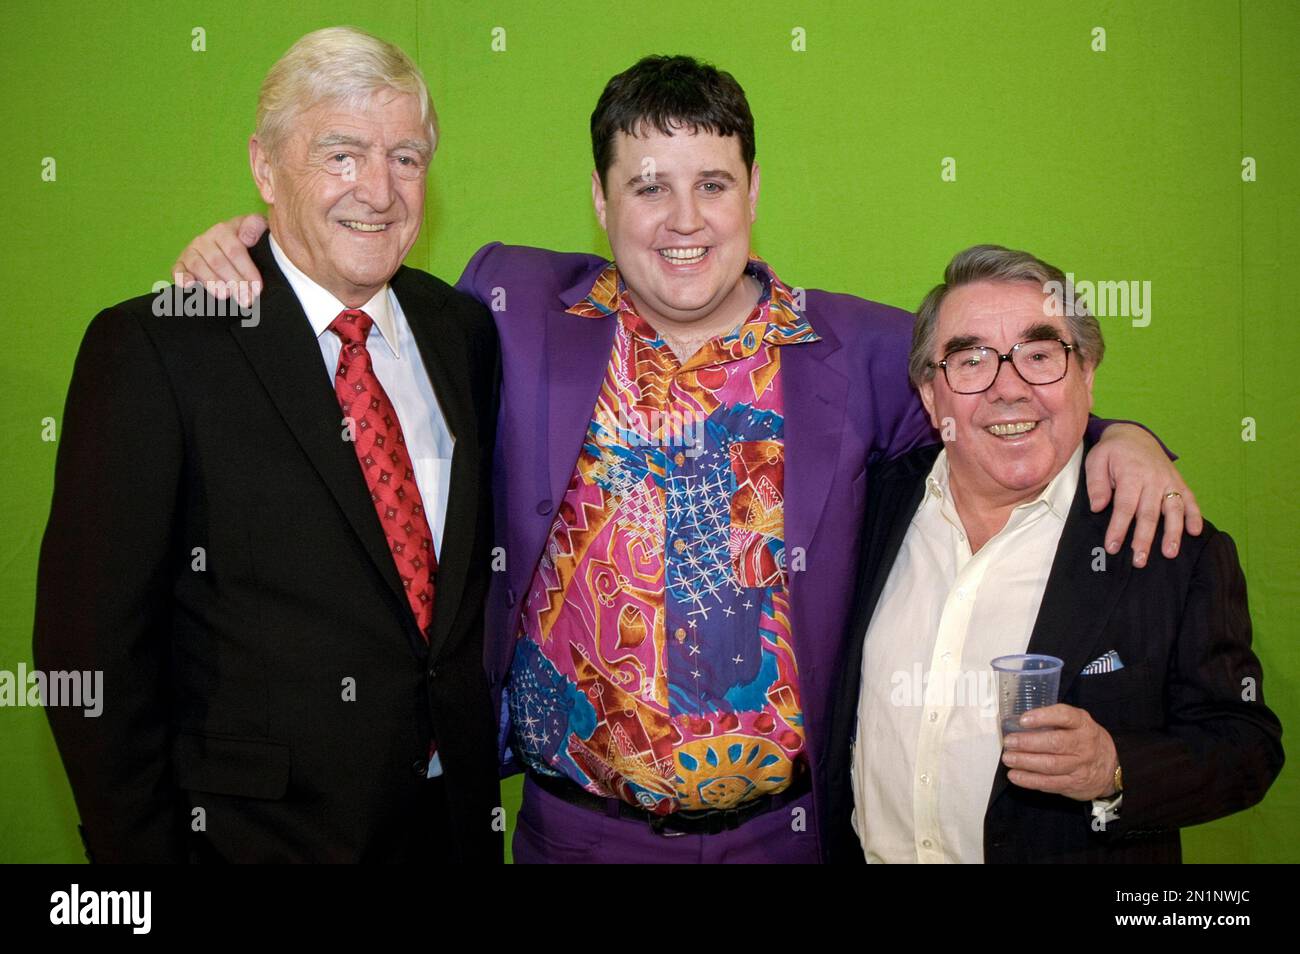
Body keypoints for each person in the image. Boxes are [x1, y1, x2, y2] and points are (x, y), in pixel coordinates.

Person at [171, 56, 1198, 863]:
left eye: (711, 181)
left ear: (753, 187)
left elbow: (999, 397)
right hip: (574, 831)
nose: (683, 219)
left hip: (787, 834)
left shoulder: (867, 351)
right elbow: (359, 285)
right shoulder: (511, 306)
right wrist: (254, 245)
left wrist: (1126, 439)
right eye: (648, 186)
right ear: (600, 198)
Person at [34, 27, 502, 862]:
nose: (379, 189)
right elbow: (90, 648)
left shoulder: (462, 332)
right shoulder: (161, 346)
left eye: (406, 158)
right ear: (263, 166)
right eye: (341, 153)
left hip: (452, 832)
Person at [825, 245, 1283, 863]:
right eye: (970, 360)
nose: (1008, 389)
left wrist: (1117, 769)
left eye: (1040, 356)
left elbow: (1246, 743)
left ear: (1087, 374)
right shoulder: (863, 508)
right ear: (931, 396)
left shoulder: (1173, 548)